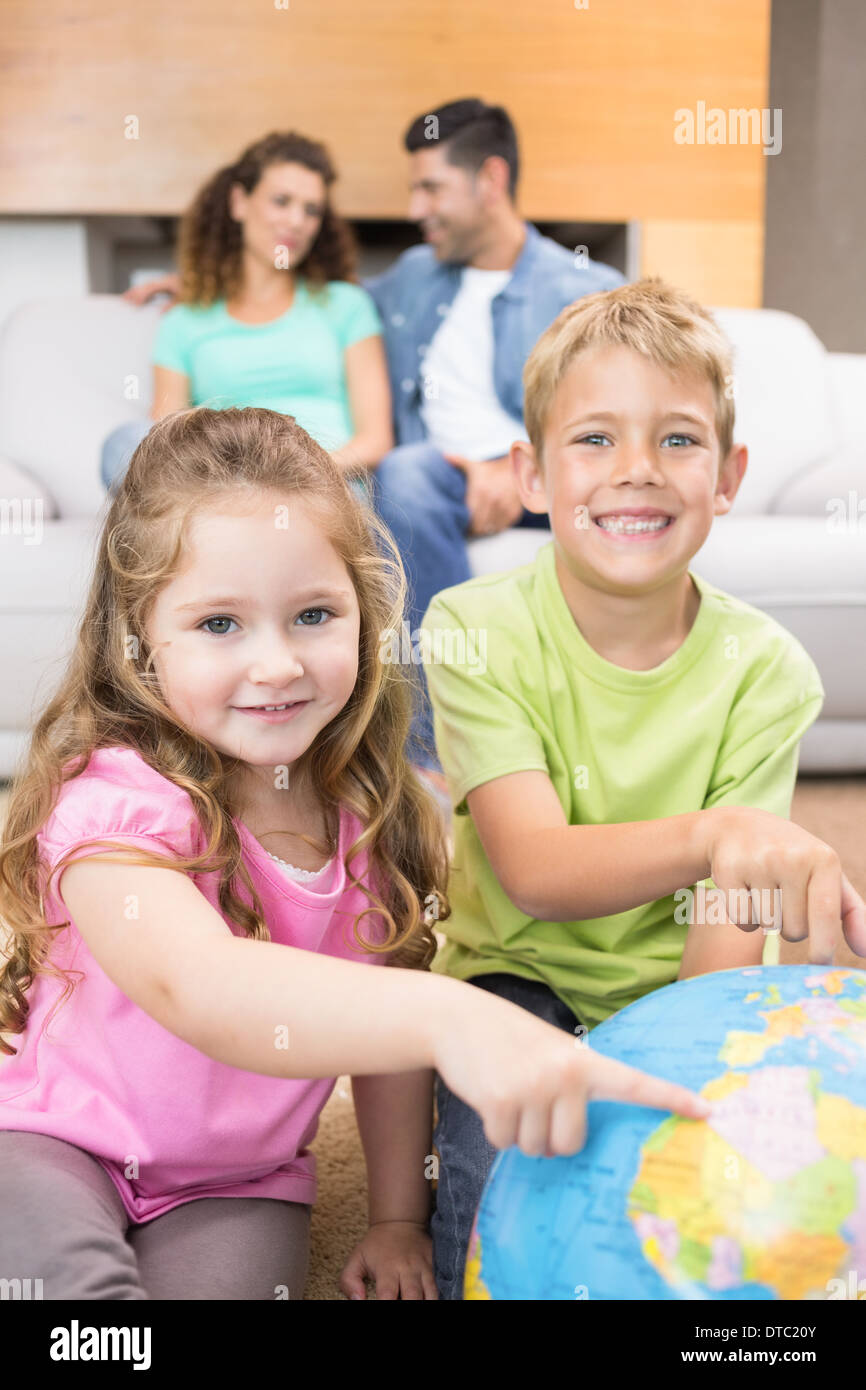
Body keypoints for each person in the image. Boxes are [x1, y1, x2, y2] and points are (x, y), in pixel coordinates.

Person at [0, 406, 710, 1302]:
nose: (277, 664)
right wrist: (454, 1018)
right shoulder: (112, 797)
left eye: (313, 616)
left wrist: (395, 1218)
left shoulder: (369, 818)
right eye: (220, 625)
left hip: (239, 1181)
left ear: (364, 616)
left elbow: (385, 1037)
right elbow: (204, 986)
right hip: (57, 1140)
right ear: (139, 644)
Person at [421, 276, 866, 1299]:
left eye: (676, 439)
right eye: (593, 440)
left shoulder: (766, 670)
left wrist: (689, 1070)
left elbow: (724, 938)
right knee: (506, 1223)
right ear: (529, 472)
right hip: (513, 987)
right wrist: (716, 833)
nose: (635, 472)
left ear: (726, 475)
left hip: (678, 993)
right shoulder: (471, 627)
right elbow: (532, 871)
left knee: (728, 1208)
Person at [125, 99, 625, 771]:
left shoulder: (587, 290)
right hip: (434, 477)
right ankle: (419, 756)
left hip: (536, 479)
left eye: (430, 188)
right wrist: (202, 282)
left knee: (409, 474)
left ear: (491, 181)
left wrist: (518, 469)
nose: (416, 208)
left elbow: (616, 421)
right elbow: (290, 293)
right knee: (410, 476)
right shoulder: (416, 279)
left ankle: (434, 753)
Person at [100, 131, 392, 496]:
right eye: (281, 201)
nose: (297, 220)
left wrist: (286, 477)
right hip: (222, 490)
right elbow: (165, 440)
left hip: (323, 488)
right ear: (239, 202)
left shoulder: (346, 305)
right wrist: (238, 486)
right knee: (127, 445)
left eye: (311, 210)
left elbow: (375, 441)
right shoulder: (183, 322)